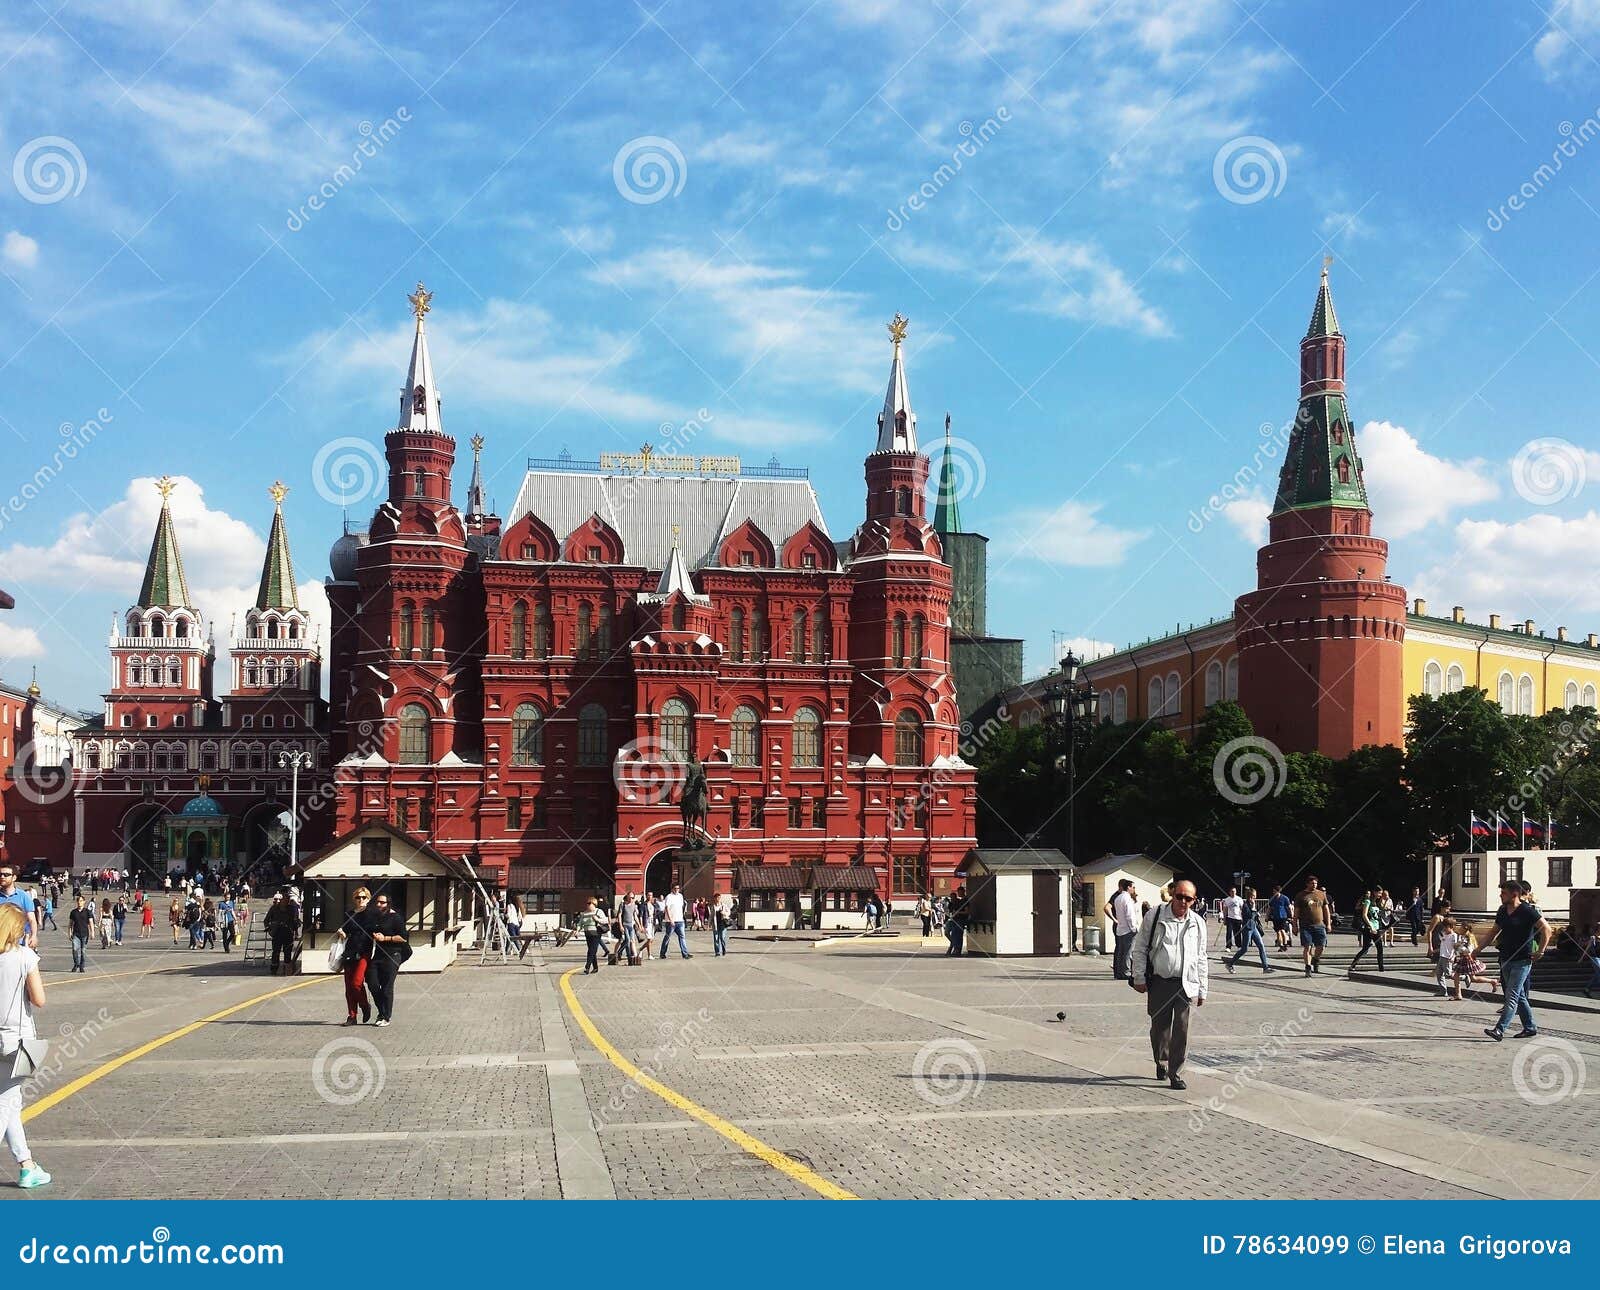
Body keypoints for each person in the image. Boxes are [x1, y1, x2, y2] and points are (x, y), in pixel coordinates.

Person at [1130, 878, 1207, 1091]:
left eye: (1188, 898)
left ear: (1194, 900)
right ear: (1173, 894)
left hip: (1186, 984)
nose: (1183, 901)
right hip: (1160, 981)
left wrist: (1202, 989)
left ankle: (1176, 1073)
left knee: (1183, 1030)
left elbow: (1202, 957)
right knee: (1160, 1028)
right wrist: (1139, 977)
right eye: (1179, 896)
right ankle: (1161, 1061)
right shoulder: (1154, 915)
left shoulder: (1198, 923)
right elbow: (1140, 948)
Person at [0, 905, 50, 1189]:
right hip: (20, 1041)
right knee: (5, 1103)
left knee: (11, 1103)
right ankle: (27, 1167)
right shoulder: (25, 957)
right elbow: (40, 999)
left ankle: (27, 1165)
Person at [1483, 880, 1553, 1042]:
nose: (1500, 896)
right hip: (1505, 958)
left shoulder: (1527, 911)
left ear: (1514, 894)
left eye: (1504, 893)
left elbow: (1547, 930)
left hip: (1522, 960)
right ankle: (1530, 1027)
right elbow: (1493, 932)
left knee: (1512, 995)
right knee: (1519, 995)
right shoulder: (1502, 910)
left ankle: (1499, 1030)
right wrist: (1478, 949)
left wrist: (1540, 950)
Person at [365, 892, 407, 1026]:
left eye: (382, 902)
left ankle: (385, 1017)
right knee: (372, 983)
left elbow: (403, 937)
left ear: (388, 904)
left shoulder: (396, 918)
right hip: (378, 955)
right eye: (377, 902)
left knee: (387, 987)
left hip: (393, 954)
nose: (379, 905)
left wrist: (386, 938)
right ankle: (382, 1011)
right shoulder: (376, 917)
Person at [335, 888, 375, 1024]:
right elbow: (346, 932)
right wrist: (342, 933)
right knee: (348, 986)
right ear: (354, 899)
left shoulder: (372, 913)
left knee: (356, 983)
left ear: (369, 899)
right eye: (358, 897)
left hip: (364, 951)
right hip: (350, 951)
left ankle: (364, 1005)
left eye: (364, 897)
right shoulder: (349, 914)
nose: (361, 900)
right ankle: (352, 1016)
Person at [1224, 887, 1274, 974]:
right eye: (1253, 896)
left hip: (1253, 927)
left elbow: (1255, 916)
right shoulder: (1245, 905)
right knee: (1244, 949)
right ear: (1249, 897)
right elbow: (1250, 915)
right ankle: (1230, 964)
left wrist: (1255, 912)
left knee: (1261, 946)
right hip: (1247, 928)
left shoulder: (1252, 905)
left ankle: (1265, 967)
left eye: (1255, 896)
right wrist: (1254, 909)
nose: (1254, 898)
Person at [1294, 875, 1331, 977]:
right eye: (1312, 883)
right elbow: (1296, 911)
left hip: (1319, 925)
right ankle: (1308, 967)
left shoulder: (1321, 894)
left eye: (1315, 883)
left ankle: (1316, 959)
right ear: (1307, 884)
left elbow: (1326, 909)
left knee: (1321, 946)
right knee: (1307, 947)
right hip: (1306, 925)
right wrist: (1295, 925)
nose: (1314, 885)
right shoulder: (1301, 895)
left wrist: (1328, 923)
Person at [1106, 878, 1140, 980]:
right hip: (1128, 929)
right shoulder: (1127, 899)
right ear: (1128, 887)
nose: (1134, 889)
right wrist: (1134, 928)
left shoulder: (1118, 898)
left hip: (1120, 928)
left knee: (1120, 951)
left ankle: (1119, 972)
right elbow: (1130, 915)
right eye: (1133, 887)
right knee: (1128, 952)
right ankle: (1126, 972)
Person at [1347, 887, 1385, 975]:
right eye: (1379, 893)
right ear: (1374, 892)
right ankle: (1353, 965)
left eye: (1381, 893)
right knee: (1365, 948)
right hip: (1369, 928)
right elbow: (1364, 915)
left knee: (1380, 948)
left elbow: (1378, 916)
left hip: (1376, 928)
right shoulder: (1368, 902)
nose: (1380, 895)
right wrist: (1370, 926)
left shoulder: (1377, 903)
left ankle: (1381, 968)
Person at [0, 866, 38, 949]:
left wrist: (34, 936)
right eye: (0, 874)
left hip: (18, 943)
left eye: (6, 874)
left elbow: (31, 919)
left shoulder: (23, 896)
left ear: (14, 877)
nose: (2, 877)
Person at [264, 891, 300, 976]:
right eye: (285, 899)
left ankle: (287, 970)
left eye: (288, 900)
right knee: (276, 952)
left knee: (287, 953)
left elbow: (296, 921)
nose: (286, 901)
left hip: (288, 933)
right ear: (282, 900)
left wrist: (295, 930)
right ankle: (274, 969)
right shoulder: (274, 908)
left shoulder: (291, 909)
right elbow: (266, 920)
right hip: (277, 933)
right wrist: (269, 929)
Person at [659, 883, 691, 960]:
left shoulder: (680, 896)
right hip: (671, 921)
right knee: (668, 937)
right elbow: (666, 908)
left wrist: (682, 916)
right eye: (675, 888)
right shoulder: (669, 897)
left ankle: (685, 953)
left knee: (682, 937)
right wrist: (670, 920)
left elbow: (681, 907)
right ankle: (662, 953)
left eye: (678, 888)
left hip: (680, 920)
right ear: (672, 889)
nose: (677, 890)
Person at [578, 898, 605, 974]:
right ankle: (595, 967)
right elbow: (580, 923)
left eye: (589, 903)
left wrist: (597, 919)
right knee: (592, 951)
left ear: (594, 904)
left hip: (596, 933)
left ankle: (587, 967)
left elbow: (605, 920)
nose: (588, 905)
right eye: (587, 903)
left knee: (591, 951)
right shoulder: (584, 913)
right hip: (587, 933)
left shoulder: (598, 911)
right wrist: (577, 931)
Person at [66, 895, 91, 973]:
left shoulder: (87, 911)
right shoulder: (73, 912)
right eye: (78, 901)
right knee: (74, 950)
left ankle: (82, 966)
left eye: (81, 901)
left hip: (85, 934)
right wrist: (69, 932)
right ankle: (76, 964)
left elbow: (91, 923)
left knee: (83, 951)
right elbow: (70, 923)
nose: (79, 902)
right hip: (76, 934)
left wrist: (92, 932)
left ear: (84, 902)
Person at [1267, 884, 1292, 952]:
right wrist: (1267, 916)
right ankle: (1281, 945)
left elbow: (1289, 907)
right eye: (1273, 891)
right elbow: (1270, 908)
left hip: (1283, 916)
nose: (1273, 892)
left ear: (1278, 891)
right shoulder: (1272, 899)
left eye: (1275, 891)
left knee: (1282, 930)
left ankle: (1285, 944)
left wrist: (1291, 916)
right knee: (1278, 932)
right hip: (1275, 917)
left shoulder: (1285, 898)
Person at [945, 886, 968, 957]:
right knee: (948, 932)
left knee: (957, 934)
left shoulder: (965, 900)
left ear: (963, 891)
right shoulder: (959, 901)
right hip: (954, 919)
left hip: (961, 919)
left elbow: (967, 911)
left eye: (959, 892)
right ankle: (953, 946)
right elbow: (950, 911)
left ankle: (956, 950)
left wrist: (958, 912)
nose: (958, 893)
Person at [1220, 886, 1244, 951]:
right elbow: (1225, 909)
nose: (1233, 893)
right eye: (1232, 891)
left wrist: (1243, 917)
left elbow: (1242, 908)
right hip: (1230, 918)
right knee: (1229, 932)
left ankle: (1239, 945)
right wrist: (1224, 919)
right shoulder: (1227, 900)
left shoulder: (1239, 899)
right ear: (1230, 892)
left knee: (1237, 933)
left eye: (1234, 891)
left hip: (1238, 918)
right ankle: (1228, 946)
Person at [712, 889, 732, 957]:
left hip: (723, 924)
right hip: (715, 924)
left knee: (722, 938)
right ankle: (717, 952)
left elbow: (729, 912)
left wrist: (724, 913)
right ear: (714, 899)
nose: (718, 899)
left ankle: (723, 949)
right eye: (716, 898)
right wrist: (708, 924)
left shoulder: (723, 905)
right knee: (716, 938)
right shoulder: (713, 906)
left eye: (719, 898)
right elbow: (711, 916)